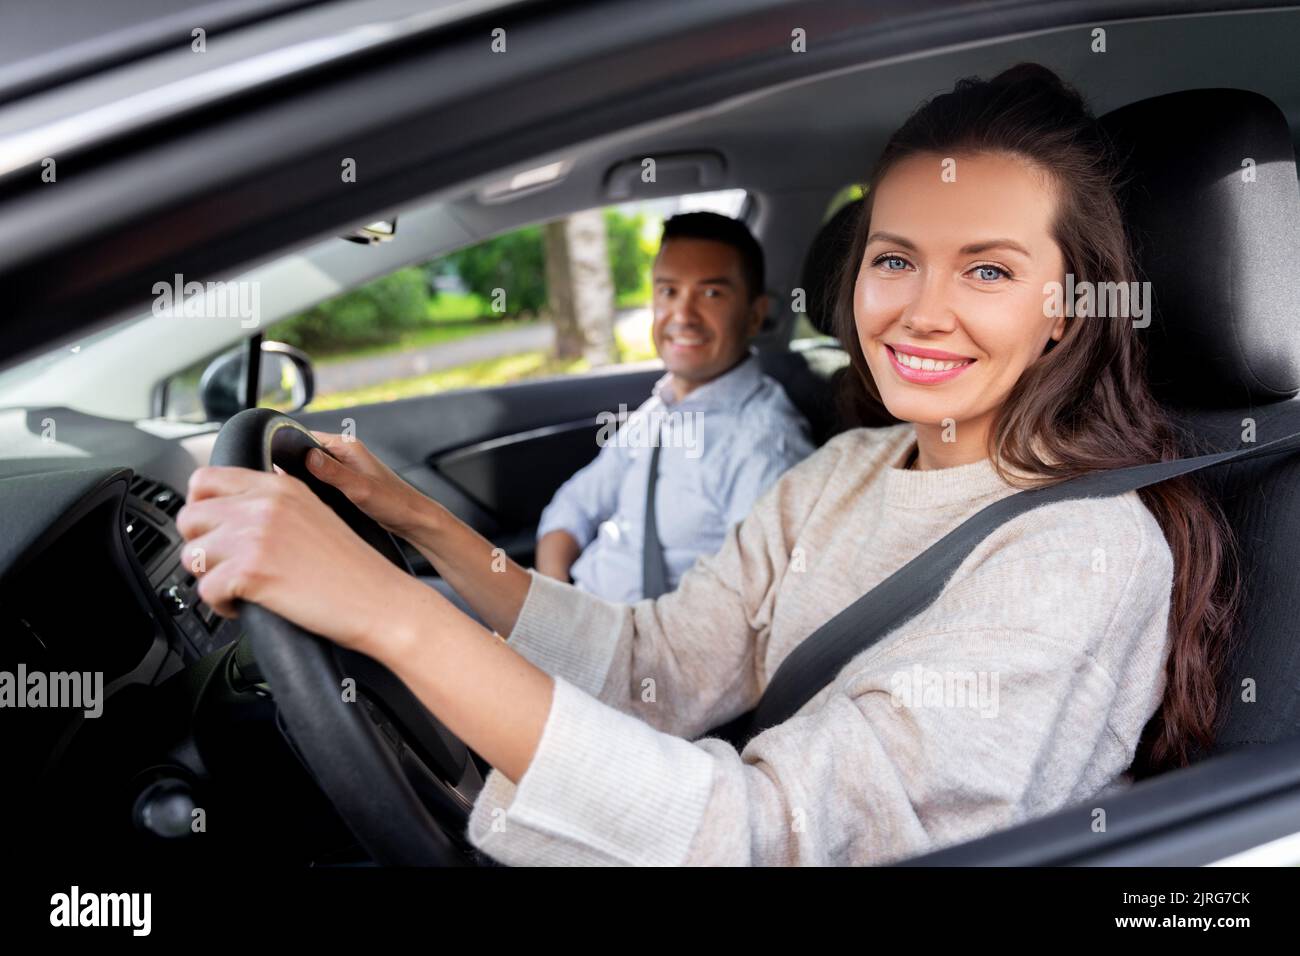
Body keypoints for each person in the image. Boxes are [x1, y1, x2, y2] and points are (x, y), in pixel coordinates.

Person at [176, 63, 1240, 866]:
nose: (922, 308)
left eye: (990, 268)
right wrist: (421, 532)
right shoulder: (853, 465)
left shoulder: (1080, 551)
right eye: (895, 257)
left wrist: (387, 615)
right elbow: (657, 662)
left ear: (1066, 310)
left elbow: (772, 838)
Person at [533, 212, 814, 603]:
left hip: (632, 653)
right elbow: (574, 505)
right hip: (567, 614)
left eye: (711, 294)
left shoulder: (764, 444)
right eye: (668, 292)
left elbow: (746, 612)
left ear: (754, 314)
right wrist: (553, 599)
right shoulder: (661, 407)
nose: (682, 316)